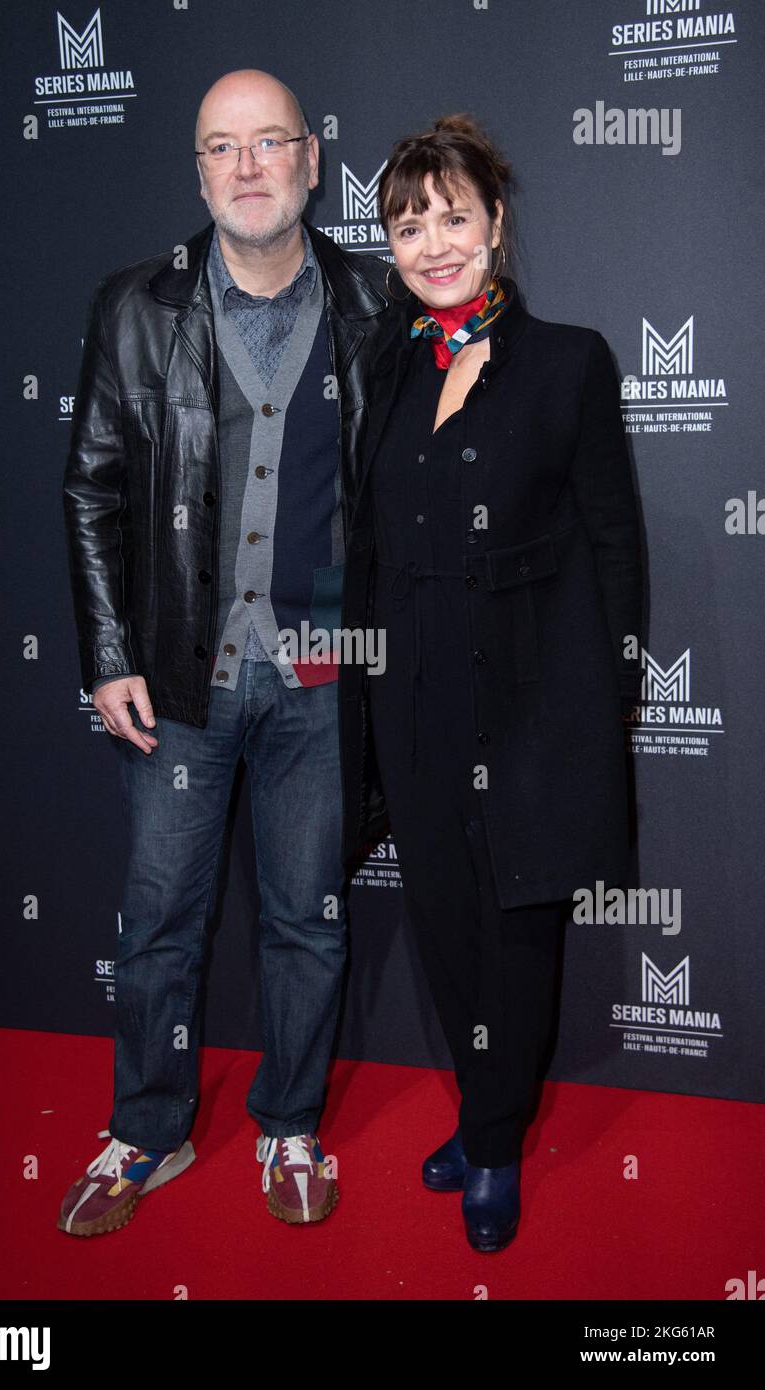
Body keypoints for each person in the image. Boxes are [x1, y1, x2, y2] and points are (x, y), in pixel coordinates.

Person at [59, 69, 391, 1235]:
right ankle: (145, 1130)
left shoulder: (376, 304)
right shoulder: (135, 307)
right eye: (221, 148)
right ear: (198, 172)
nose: (246, 168)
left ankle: (289, 1122)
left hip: (320, 683)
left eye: (269, 144)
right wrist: (108, 652)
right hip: (179, 679)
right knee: (158, 921)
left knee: (306, 918)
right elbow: (92, 484)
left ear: (310, 159)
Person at [338, 114, 644, 1253]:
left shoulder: (568, 361)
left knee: (518, 924)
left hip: (534, 688)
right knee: (443, 918)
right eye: (408, 225)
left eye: (452, 217)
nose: (432, 244)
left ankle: (497, 1146)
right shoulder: (380, 361)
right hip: (410, 685)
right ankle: (476, 1111)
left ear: (495, 225)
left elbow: (612, 539)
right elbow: (356, 538)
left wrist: (612, 695)